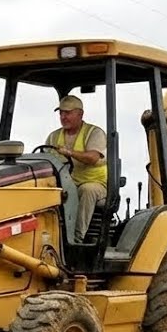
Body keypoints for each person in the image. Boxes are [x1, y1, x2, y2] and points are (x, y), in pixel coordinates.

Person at [46, 95, 108, 240]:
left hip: (97, 184)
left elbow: (93, 158)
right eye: (61, 113)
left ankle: (76, 239)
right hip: (66, 184)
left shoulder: (94, 133)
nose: (63, 116)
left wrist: (69, 152)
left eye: (67, 113)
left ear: (80, 114)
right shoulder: (53, 137)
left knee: (87, 190)